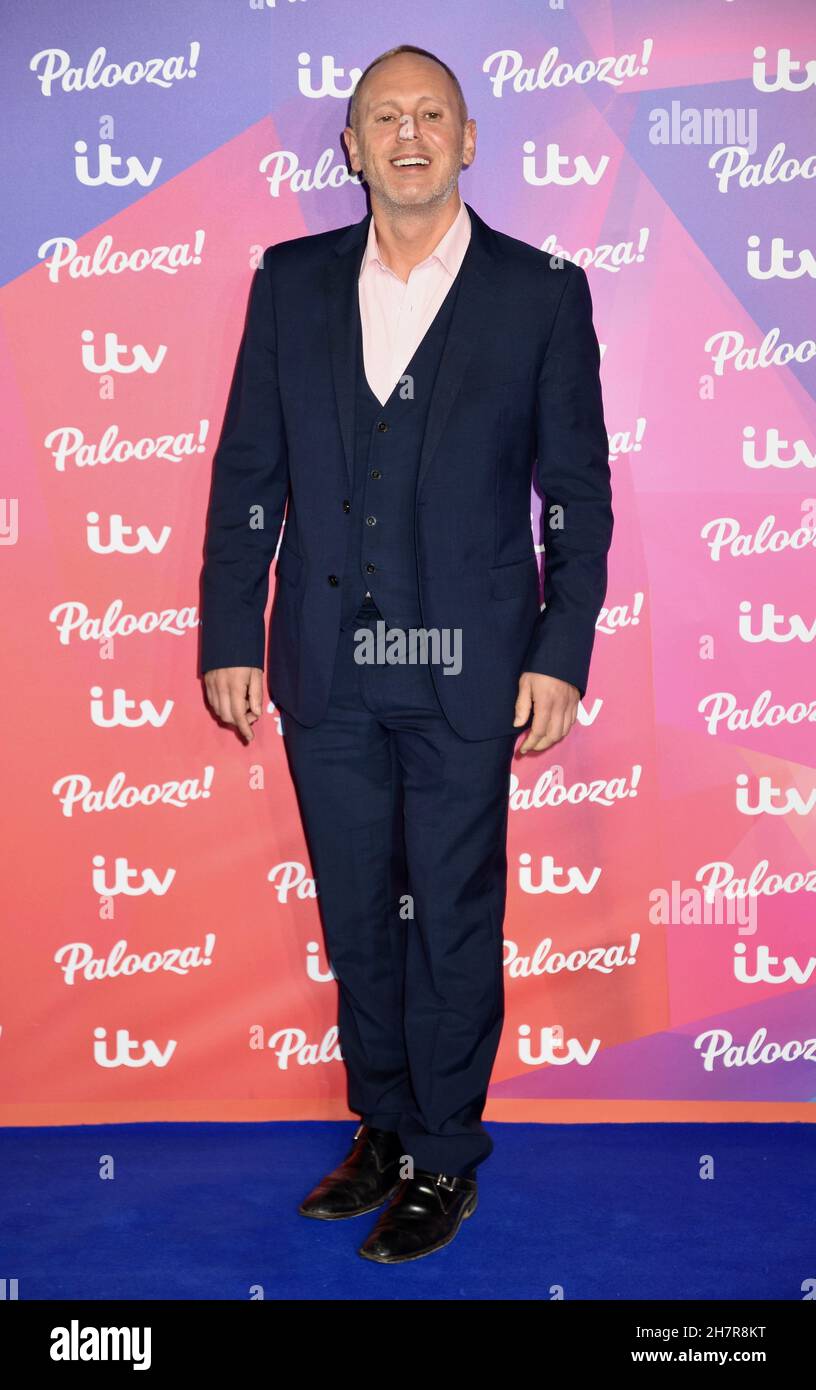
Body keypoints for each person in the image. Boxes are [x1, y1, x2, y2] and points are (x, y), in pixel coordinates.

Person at [200, 44, 613, 1264]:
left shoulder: (543, 292)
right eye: (386, 116)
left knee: (451, 921)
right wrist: (233, 631)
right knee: (358, 919)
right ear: (353, 147)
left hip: (467, 669)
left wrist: (561, 649)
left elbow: (575, 498)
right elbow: (247, 477)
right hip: (326, 661)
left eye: (433, 113)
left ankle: (445, 1155)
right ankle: (381, 1128)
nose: (411, 133)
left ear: (469, 140)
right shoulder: (290, 283)